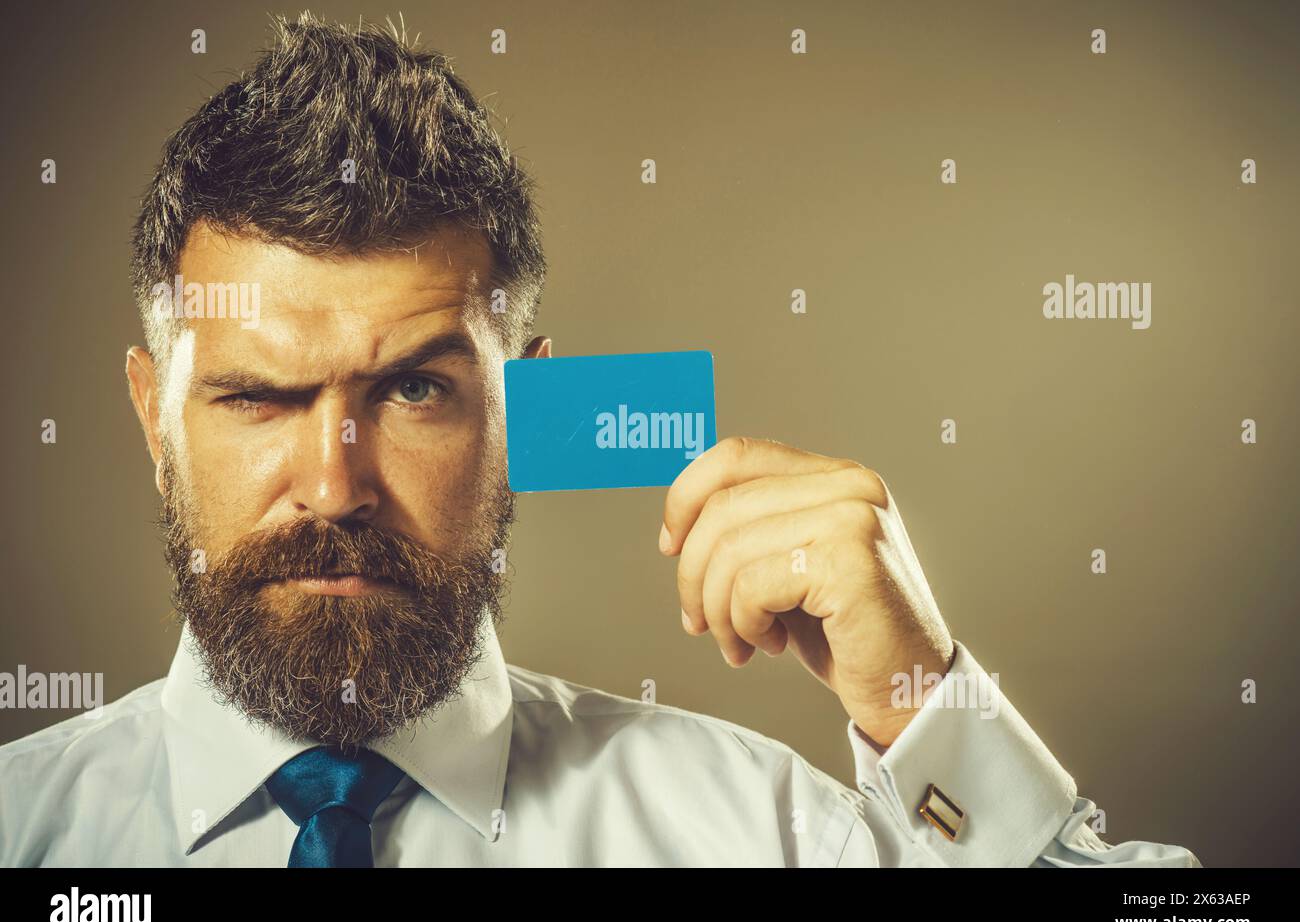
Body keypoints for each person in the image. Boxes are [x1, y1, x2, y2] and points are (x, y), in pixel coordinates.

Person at [0, 12, 1198, 867]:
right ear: (153, 422)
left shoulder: (767, 838)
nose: (333, 486)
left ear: (525, 412)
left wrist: (926, 708)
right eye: (259, 398)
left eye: (414, 392)